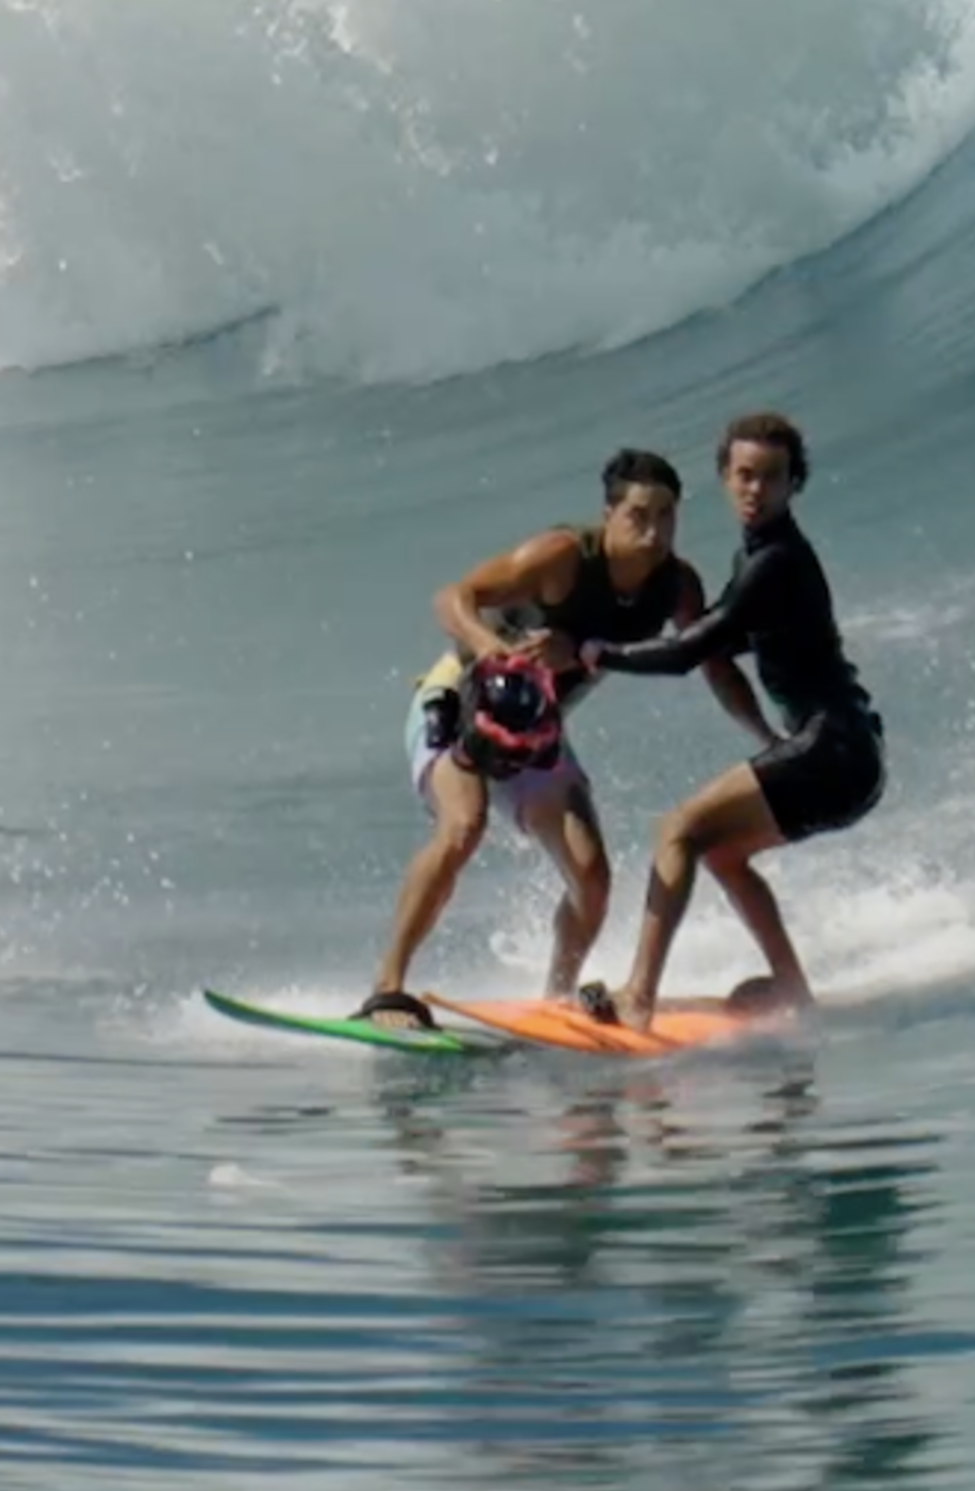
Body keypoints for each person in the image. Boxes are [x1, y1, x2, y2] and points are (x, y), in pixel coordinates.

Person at [354, 449, 763, 1030]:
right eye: (640, 515)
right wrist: (490, 646)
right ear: (609, 513)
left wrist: (764, 733)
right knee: (463, 827)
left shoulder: (676, 586)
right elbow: (454, 596)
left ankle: (553, 1004)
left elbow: (715, 666)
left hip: (540, 729)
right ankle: (387, 989)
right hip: (459, 702)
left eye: (668, 515)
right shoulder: (561, 558)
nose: (655, 531)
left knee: (591, 878)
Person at [575, 408, 884, 1032]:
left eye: (772, 477)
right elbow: (715, 639)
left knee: (678, 831)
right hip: (847, 755)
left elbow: (693, 650)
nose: (755, 489)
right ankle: (793, 991)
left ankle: (637, 998)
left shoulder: (776, 561)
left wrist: (597, 652)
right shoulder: (765, 561)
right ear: (723, 477)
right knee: (720, 854)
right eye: (744, 475)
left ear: (794, 483)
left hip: (834, 749)